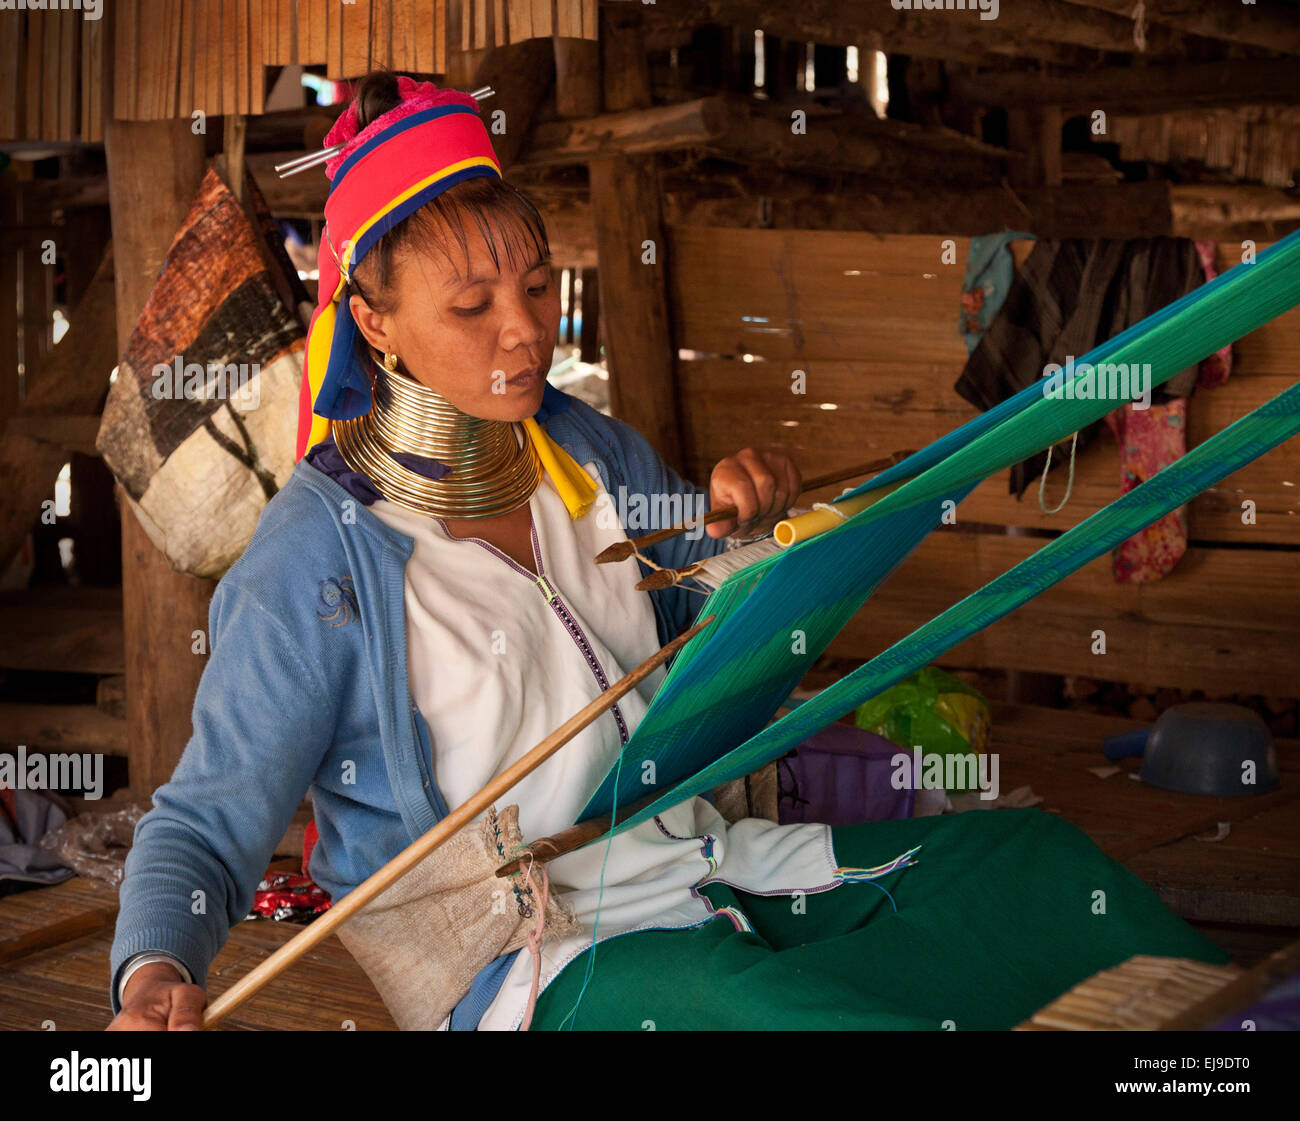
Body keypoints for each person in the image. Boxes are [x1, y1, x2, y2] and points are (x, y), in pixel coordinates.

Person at [107, 71, 1227, 1032]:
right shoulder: (319, 562)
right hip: (539, 963)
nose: (524, 330)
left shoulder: (589, 451)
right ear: (375, 318)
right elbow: (204, 821)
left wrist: (753, 531)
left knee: (1034, 871)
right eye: (471, 303)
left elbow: (710, 615)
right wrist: (157, 964)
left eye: (537, 287)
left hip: (710, 864)